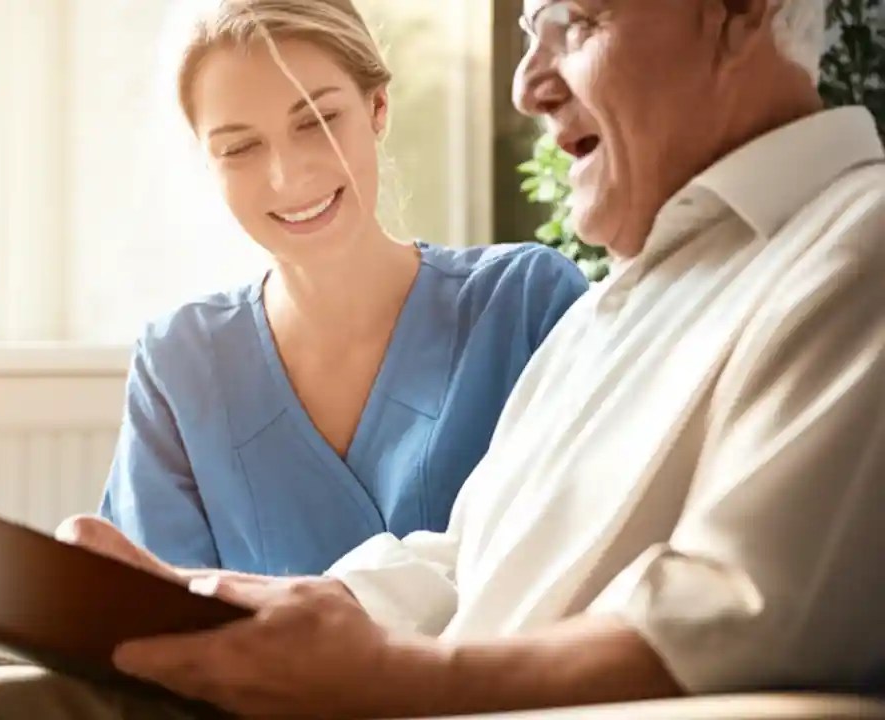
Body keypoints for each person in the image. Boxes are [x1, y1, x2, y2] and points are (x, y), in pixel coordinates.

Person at [0, 0, 885, 717]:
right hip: (408, 683)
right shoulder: (625, 303)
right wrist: (227, 604)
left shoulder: (855, 241)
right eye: (526, 32)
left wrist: (387, 683)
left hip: (453, 701)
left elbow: (746, 619)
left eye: (576, 23)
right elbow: (465, 560)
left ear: (743, 10)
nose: (525, 87)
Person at [95, 0, 587, 576]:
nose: (287, 175)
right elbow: (155, 621)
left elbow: (583, 560)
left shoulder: (524, 305)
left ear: (377, 108)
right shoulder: (180, 362)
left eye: (317, 121)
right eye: (240, 148)